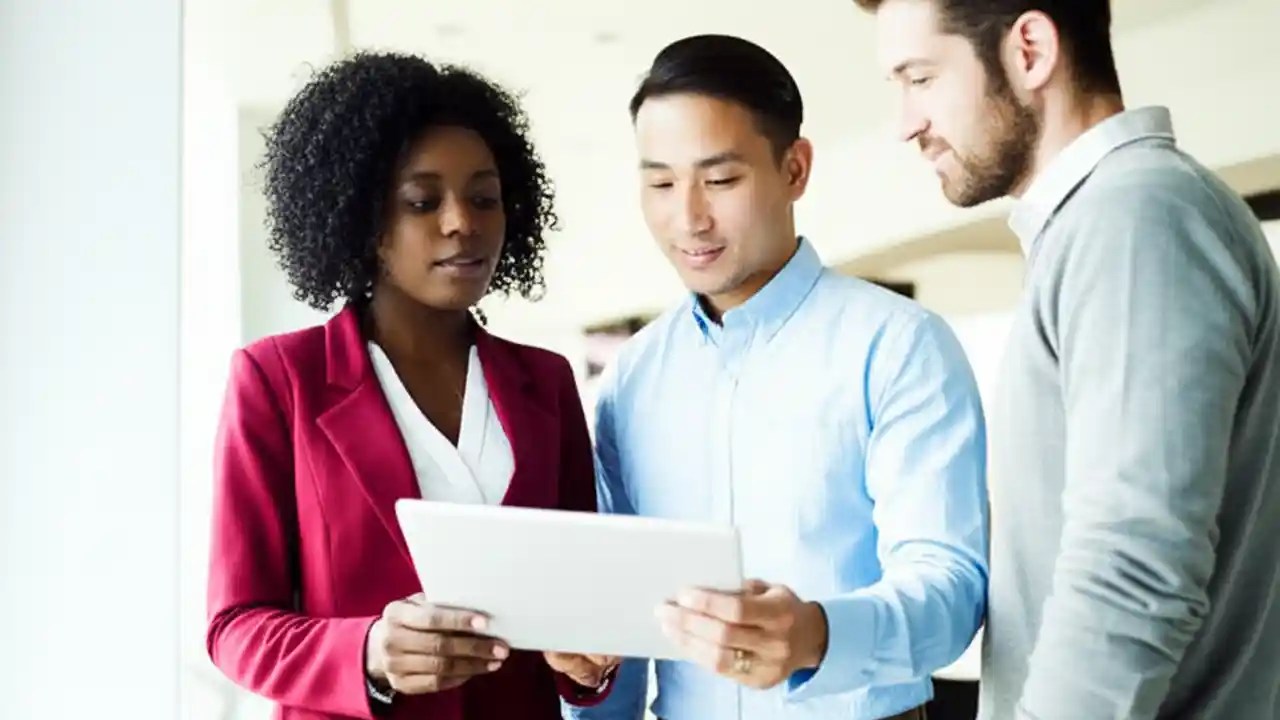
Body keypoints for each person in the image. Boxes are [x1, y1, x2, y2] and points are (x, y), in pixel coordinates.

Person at [853, 1, 1280, 718]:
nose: (906, 122)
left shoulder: (1135, 217)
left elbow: (1132, 571)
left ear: (1030, 50)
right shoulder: (1109, 221)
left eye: (920, 78)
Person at [565, 34, 989, 720]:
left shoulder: (899, 345)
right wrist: (584, 678)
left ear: (794, 169)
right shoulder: (630, 381)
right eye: (661, 183)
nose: (689, 217)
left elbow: (952, 590)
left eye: (721, 179)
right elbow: (622, 626)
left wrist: (816, 636)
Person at [205, 51, 616, 720]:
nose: (463, 221)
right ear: (365, 222)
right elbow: (234, 626)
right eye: (423, 201)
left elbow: (575, 615)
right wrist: (367, 651)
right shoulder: (278, 381)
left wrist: (587, 662)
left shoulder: (546, 382)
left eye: (484, 197)